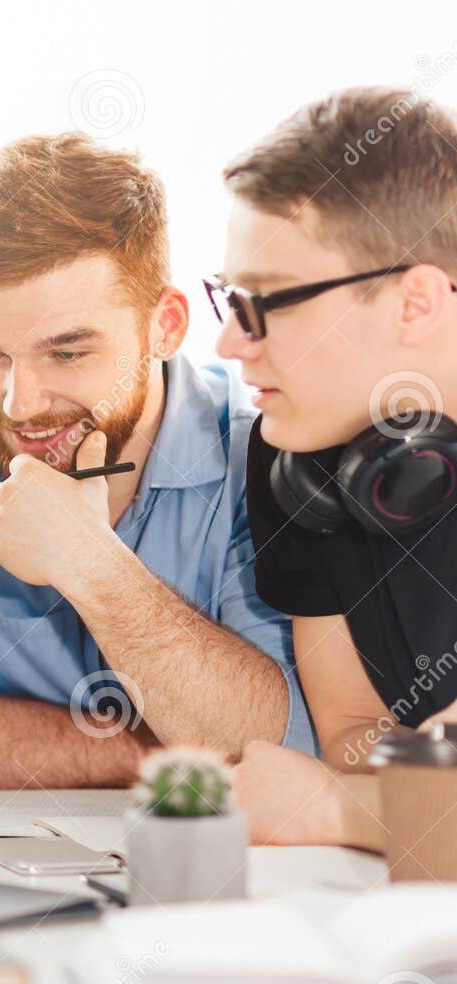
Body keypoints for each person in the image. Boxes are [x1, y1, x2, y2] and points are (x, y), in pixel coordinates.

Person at [0, 133, 313, 794]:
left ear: (165, 326)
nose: (19, 404)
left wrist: (93, 566)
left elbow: (292, 743)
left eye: (67, 353)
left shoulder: (264, 450)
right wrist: (168, 752)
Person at [220, 88, 457, 850]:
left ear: (413, 303)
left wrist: (336, 812)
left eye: (268, 303)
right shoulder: (298, 457)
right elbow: (352, 733)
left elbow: (349, 780)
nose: (229, 342)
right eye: (229, 299)